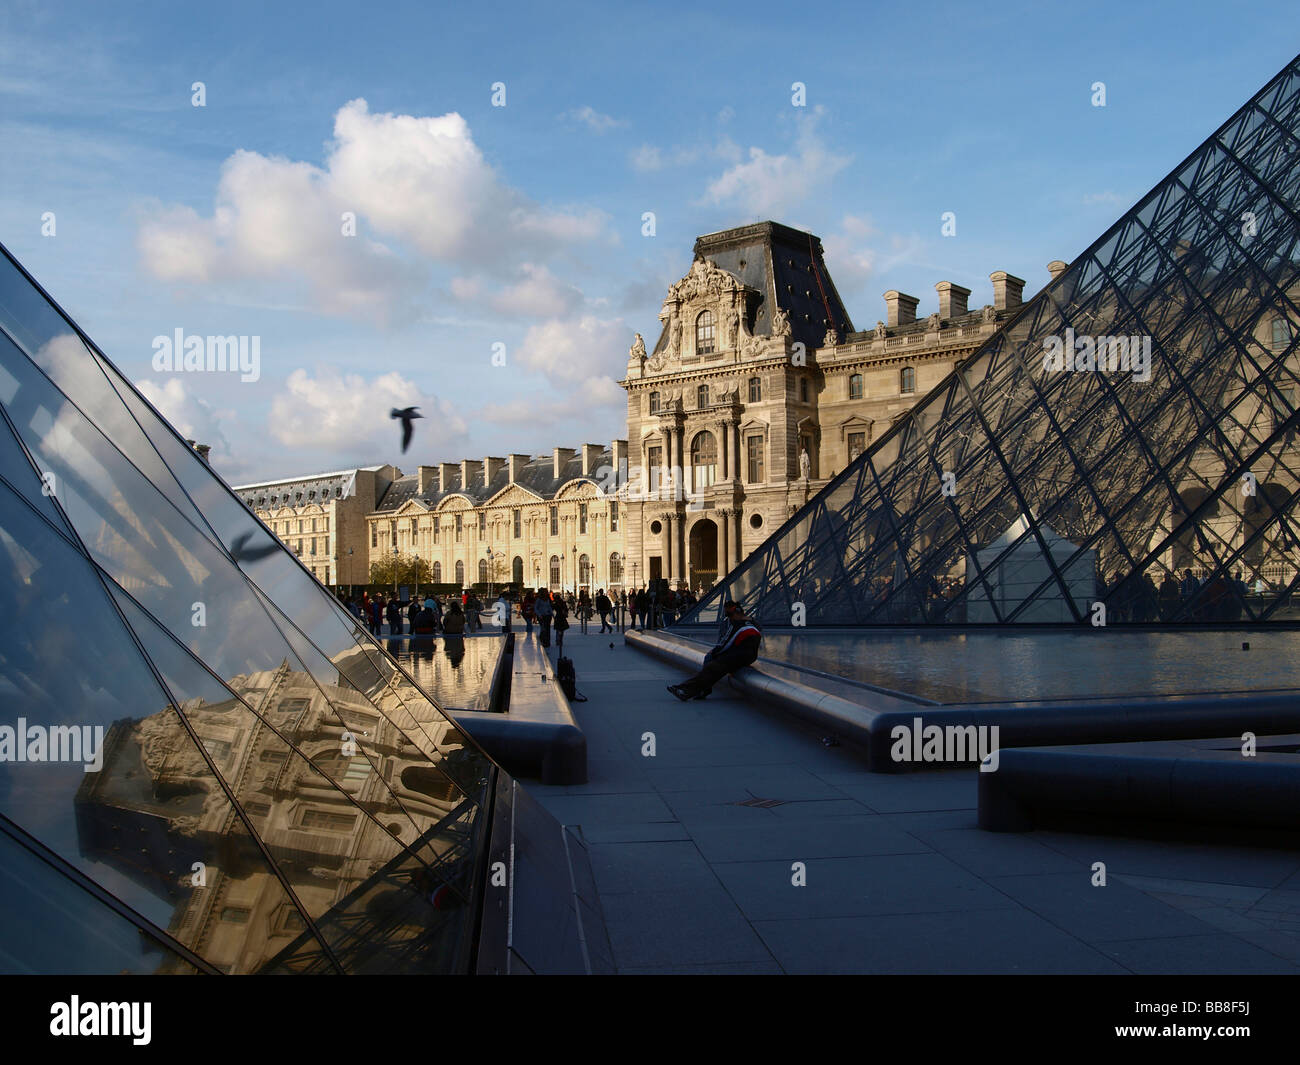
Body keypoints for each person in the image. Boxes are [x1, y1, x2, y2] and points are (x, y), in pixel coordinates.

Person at [667, 602, 761, 701]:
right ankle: (693, 690)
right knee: (713, 667)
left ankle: (687, 690)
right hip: (747, 656)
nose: (729, 618)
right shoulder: (750, 622)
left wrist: (714, 653)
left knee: (712, 666)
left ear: (737, 613)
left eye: (729, 615)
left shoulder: (738, 625)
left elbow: (726, 643)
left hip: (738, 656)